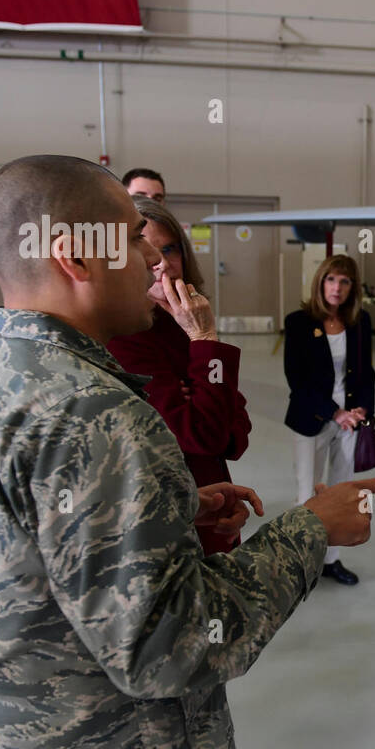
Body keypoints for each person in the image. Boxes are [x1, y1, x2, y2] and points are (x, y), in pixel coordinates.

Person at [0, 155, 375, 749]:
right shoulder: (95, 411)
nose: (153, 259)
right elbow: (171, 647)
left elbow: (38, 554)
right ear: (75, 259)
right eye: (132, 237)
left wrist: (171, 507)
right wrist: (312, 528)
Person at [107, 197, 252, 555]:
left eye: (170, 248)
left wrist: (209, 403)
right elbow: (203, 432)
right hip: (170, 520)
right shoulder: (126, 337)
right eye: (147, 251)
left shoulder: (179, 324)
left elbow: (238, 424)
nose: (162, 263)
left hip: (213, 496)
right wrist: (205, 341)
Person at [284, 254, 375, 586]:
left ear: (353, 288)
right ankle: (303, 563)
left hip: (350, 423)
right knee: (307, 494)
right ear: (321, 282)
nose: (337, 288)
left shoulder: (360, 322)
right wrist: (333, 411)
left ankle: (330, 561)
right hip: (312, 418)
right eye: (331, 279)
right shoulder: (297, 322)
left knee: (340, 493)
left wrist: (361, 410)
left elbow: (366, 374)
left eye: (345, 281)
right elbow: (298, 379)